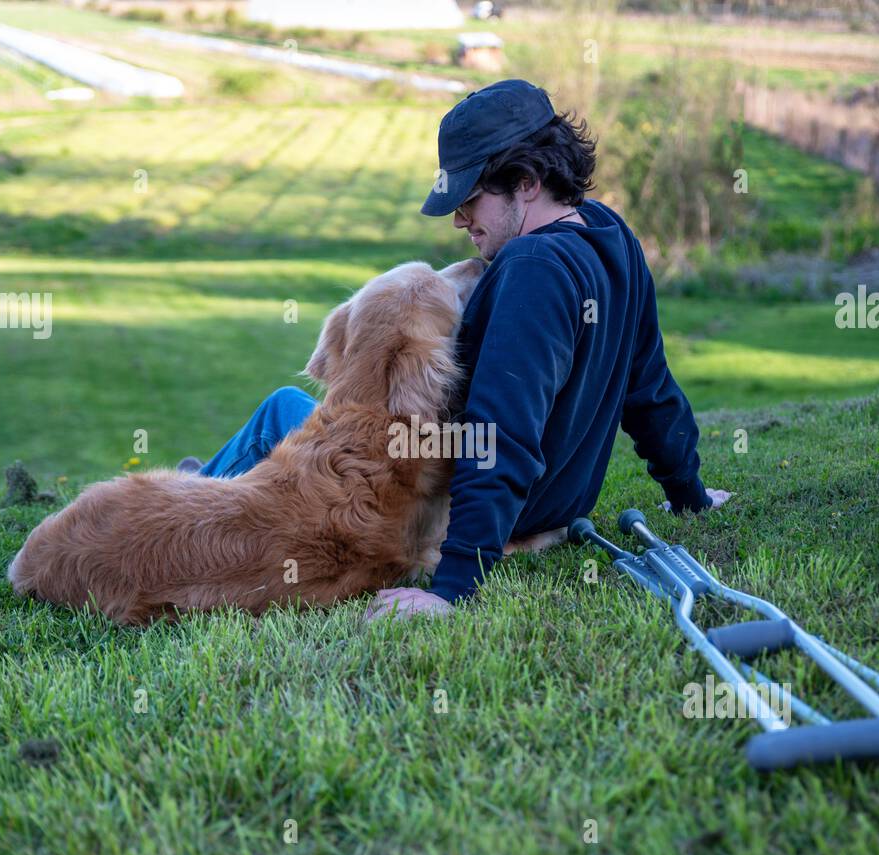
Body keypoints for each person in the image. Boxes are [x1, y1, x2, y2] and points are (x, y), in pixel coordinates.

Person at [182, 79, 729, 621]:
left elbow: (500, 435)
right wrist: (689, 495)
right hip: (553, 505)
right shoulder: (611, 234)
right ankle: (207, 486)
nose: (460, 219)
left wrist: (452, 586)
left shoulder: (532, 272)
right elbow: (648, 385)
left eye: (470, 200)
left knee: (280, 409)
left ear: (527, 182)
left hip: (461, 511)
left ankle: (192, 508)